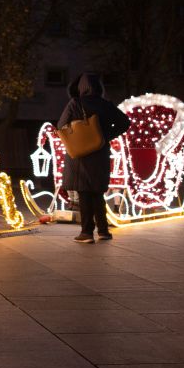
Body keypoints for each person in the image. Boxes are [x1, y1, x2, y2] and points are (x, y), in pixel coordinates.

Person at [58, 73, 131, 243]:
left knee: (84, 193)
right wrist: (105, 135)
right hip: (100, 151)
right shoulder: (105, 104)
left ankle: (86, 232)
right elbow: (125, 122)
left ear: (80, 88)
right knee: (97, 193)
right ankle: (103, 231)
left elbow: (61, 125)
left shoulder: (75, 103)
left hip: (81, 154)